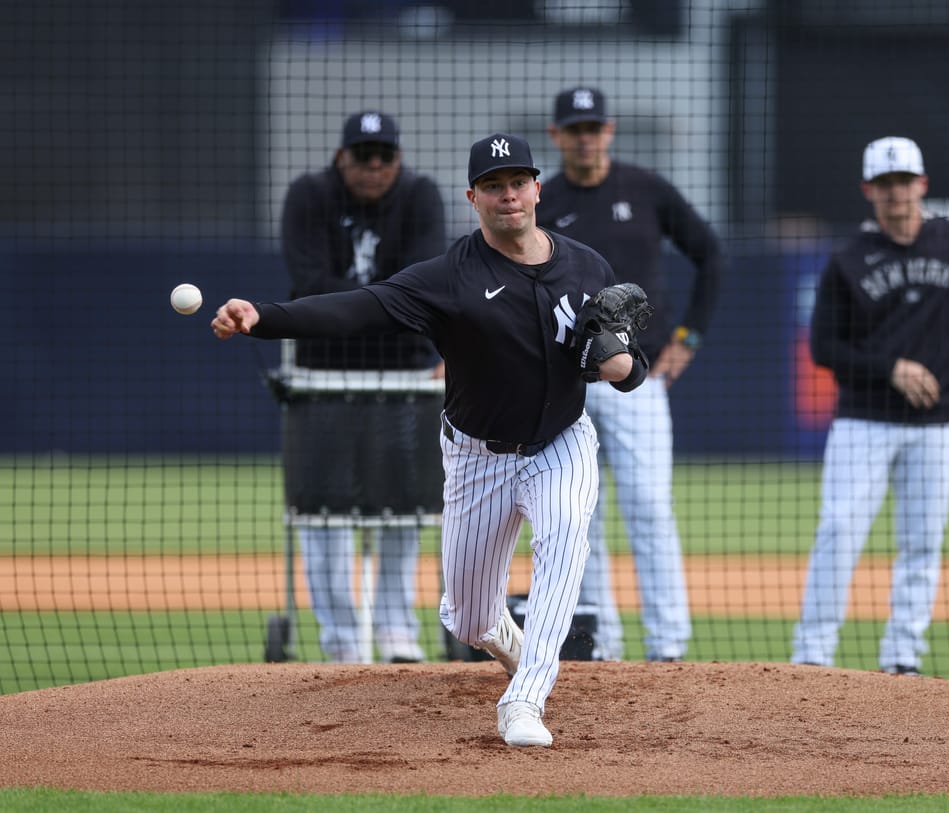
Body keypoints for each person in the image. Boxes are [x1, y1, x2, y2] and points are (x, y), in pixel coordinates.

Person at [213, 133, 647, 747]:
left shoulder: (586, 266)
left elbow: (632, 371)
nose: (508, 195)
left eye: (517, 182)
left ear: (537, 189)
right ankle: (513, 648)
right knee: (469, 617)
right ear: (473, 198)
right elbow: (357, 309)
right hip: (477, 457)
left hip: (561, 444)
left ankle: (524, 700)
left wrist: (619, 364)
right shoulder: (449, 277)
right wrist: (264, 318)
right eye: (493, 186)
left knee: (564, 540)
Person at [790, 137, 949, 675]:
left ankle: (903, 655)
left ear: (922, 184)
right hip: (864, 420)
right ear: (868, 191)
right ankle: (812, 654)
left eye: (904, 182)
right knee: (839, 530)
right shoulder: (849, 258)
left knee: (924, 542)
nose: (895, 193)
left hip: (936, 421)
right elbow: (823, 348)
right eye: (884, 185)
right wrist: (891, 368)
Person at [537, 85, 724, 662]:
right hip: (568, 380)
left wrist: (688, 337)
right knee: (575, 513)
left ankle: (668, 645)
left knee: (649, 507)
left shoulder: (646, 189)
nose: (586, 137)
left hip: (638, 378)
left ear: (609, 131)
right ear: (558, 136)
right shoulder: (545, 198)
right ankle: (599, 642)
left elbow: (710, 253)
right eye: (575, 129)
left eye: (594, 127)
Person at [278, 110, 447, 665]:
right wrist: (384, 302)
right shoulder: (308, 195)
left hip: (405, 377)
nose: (374, 167)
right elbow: (307, 282)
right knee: (323, 510)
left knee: (404, 504)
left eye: (384, 157)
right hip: (322, 379)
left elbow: (421, 286)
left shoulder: (421, 196)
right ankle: (342, 644)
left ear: (398, 160)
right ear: (340, 157)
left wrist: (348, 305)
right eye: (363, 156)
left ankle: (398, 632)